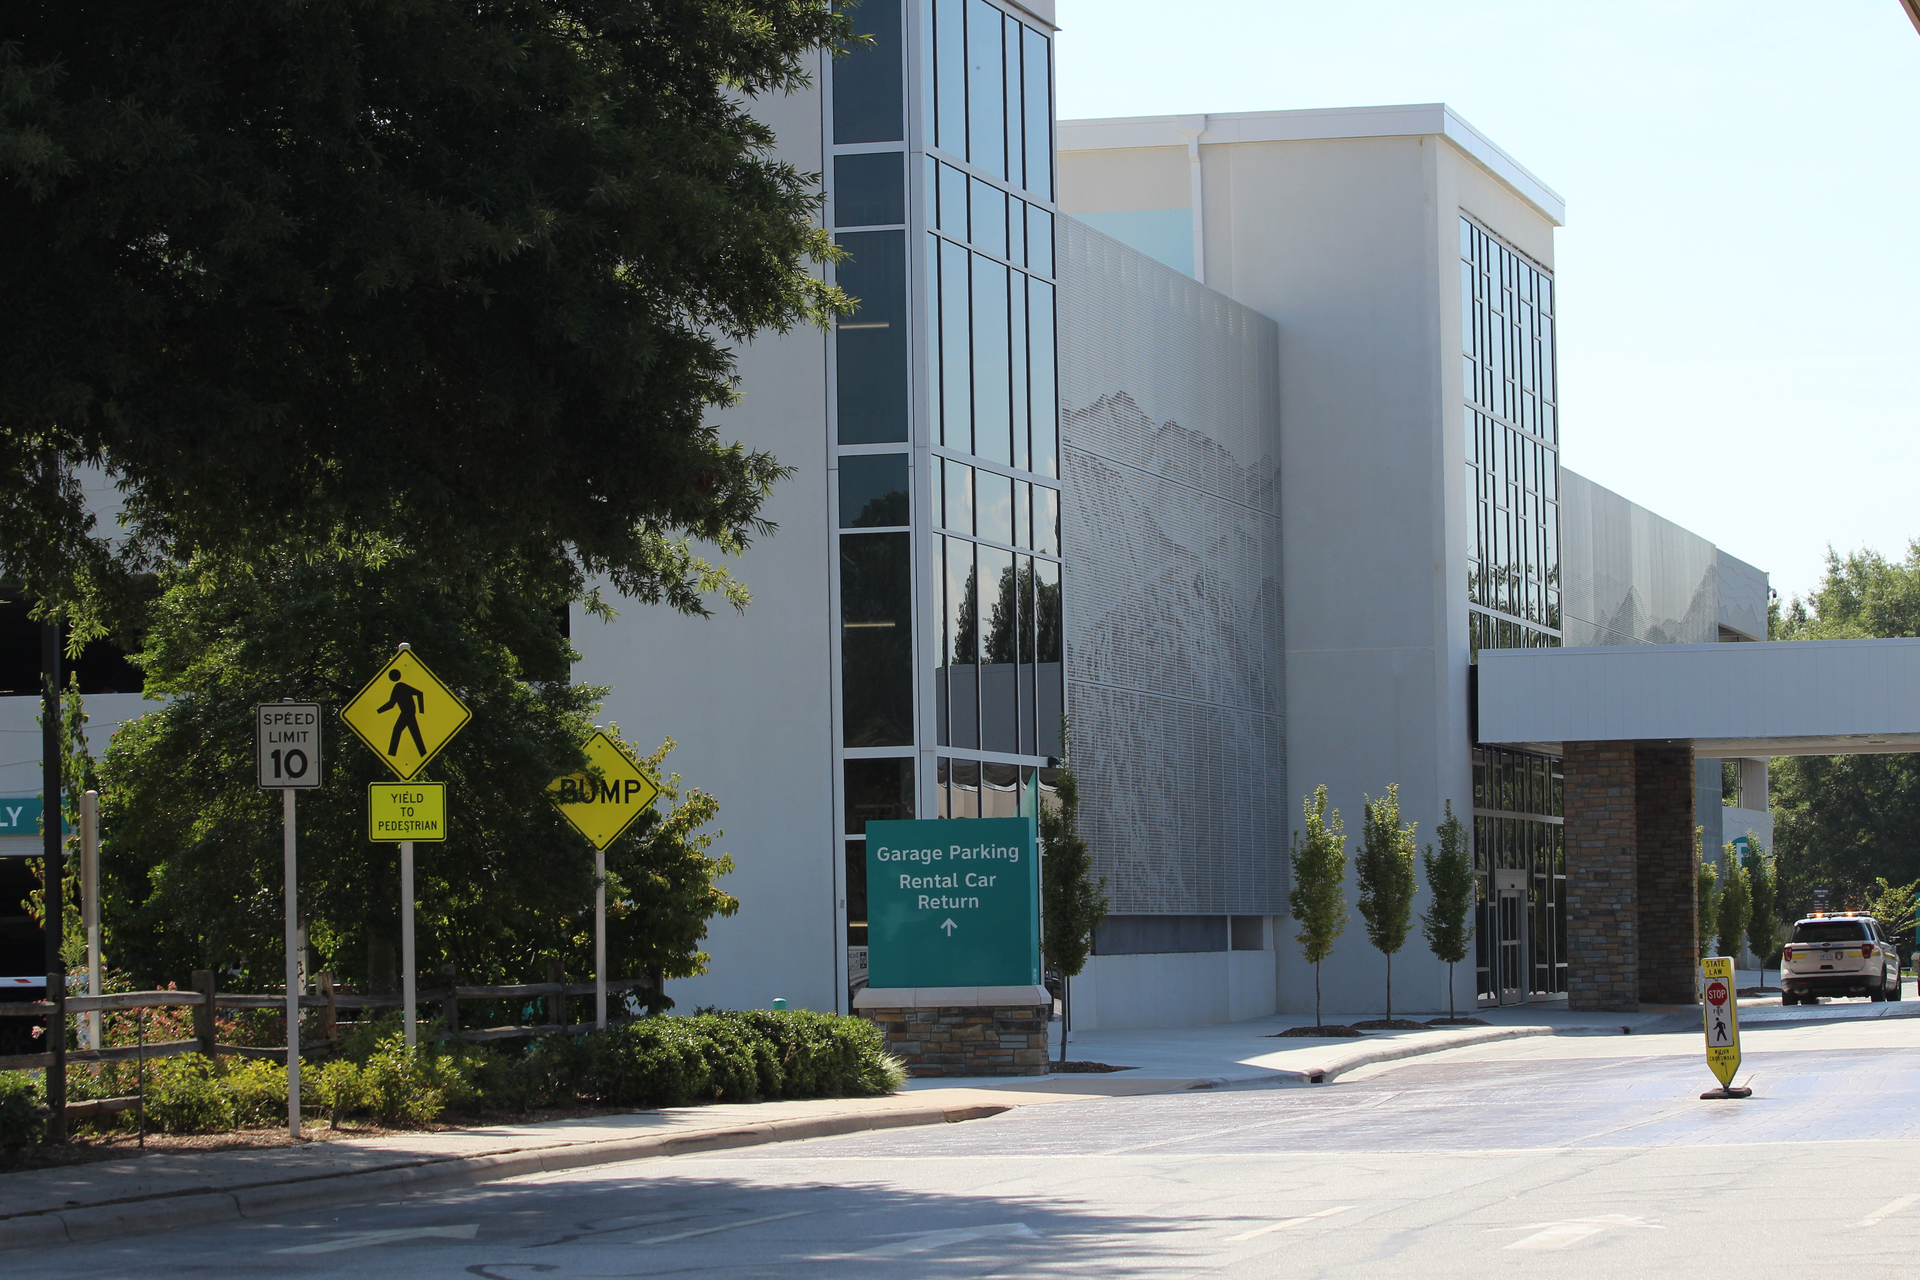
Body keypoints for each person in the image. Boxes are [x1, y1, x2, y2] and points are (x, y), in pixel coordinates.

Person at [377, 668, 427, 758]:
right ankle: (423, 753)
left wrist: (421, 711)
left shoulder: (400, 686)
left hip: (408, 712)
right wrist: (378, 711)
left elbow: (419, 693)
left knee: (398, 730)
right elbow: (391, 704)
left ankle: (392, 754)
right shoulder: (398, 687)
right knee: (414, 734)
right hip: (407, 712)